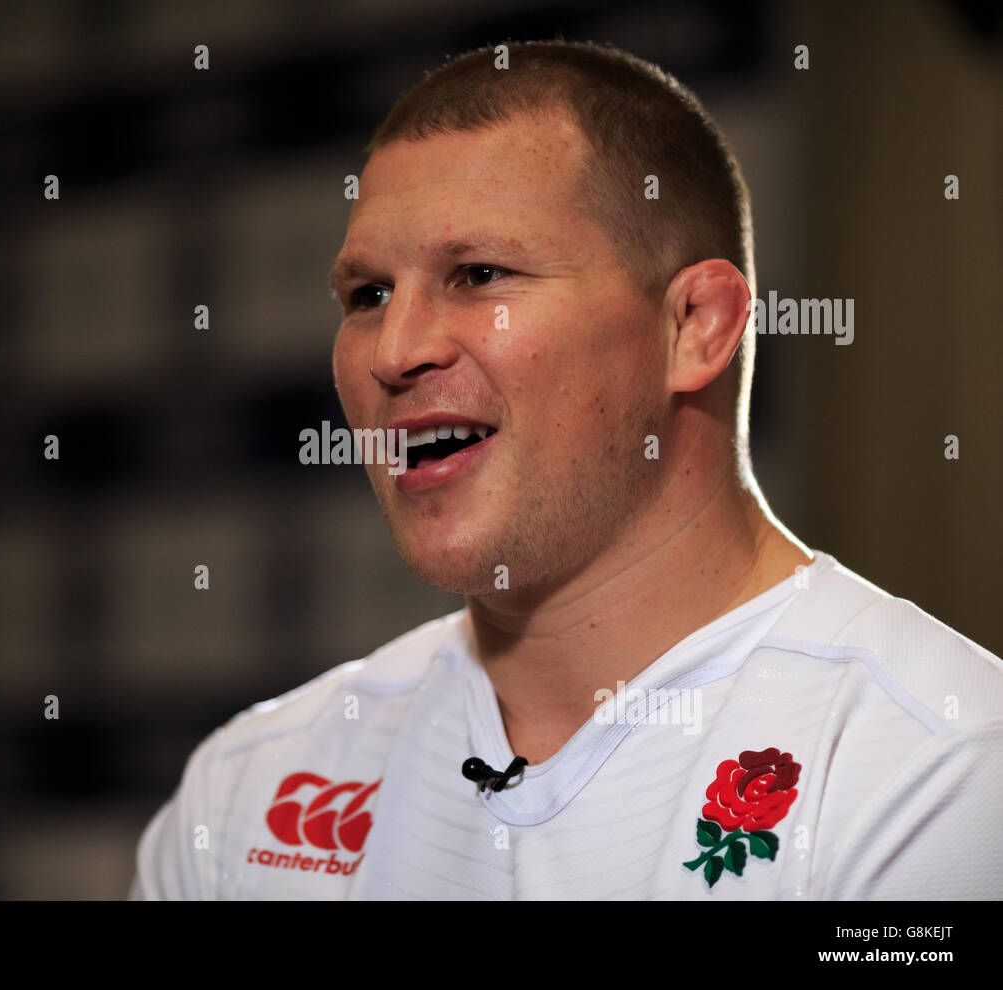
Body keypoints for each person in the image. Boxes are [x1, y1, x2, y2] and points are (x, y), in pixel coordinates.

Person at [130, 40, 1003, 899]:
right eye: (369, 296)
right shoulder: (247, 789)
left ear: (695, 324)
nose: (393, 351)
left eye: (479, 274)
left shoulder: (936, 767)